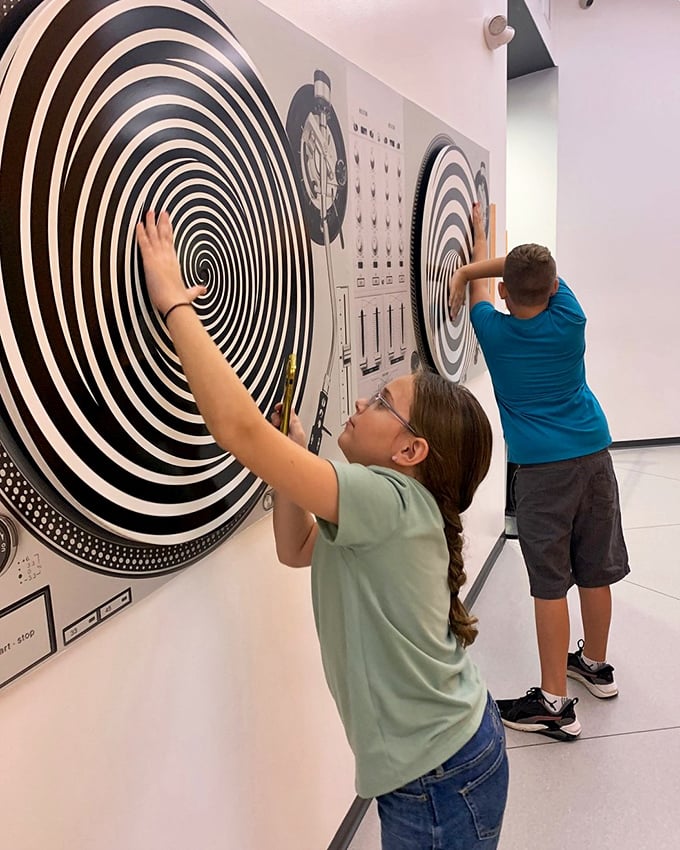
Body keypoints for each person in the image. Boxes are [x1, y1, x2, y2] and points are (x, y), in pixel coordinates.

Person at [137, 210, 508, 849]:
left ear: (411, 452)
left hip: (439, 779)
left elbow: (236, 431)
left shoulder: (385, 498)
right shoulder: (396, 506)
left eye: (383, 402)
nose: (362, 403)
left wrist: (173, 301)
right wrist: (291, 459)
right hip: (448, 764)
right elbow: (296, 548)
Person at [449, 204, 629, 741]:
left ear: (505, 293)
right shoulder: (571, 319)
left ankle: (555, 702)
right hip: (595, 457)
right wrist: (491, 261)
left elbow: (485, 290)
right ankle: (594, 665)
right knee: (595, 569)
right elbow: (533, 273)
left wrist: (463, 270)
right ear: (553, 291)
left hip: (541, 473)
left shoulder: (493, 331)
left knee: (549, 586)